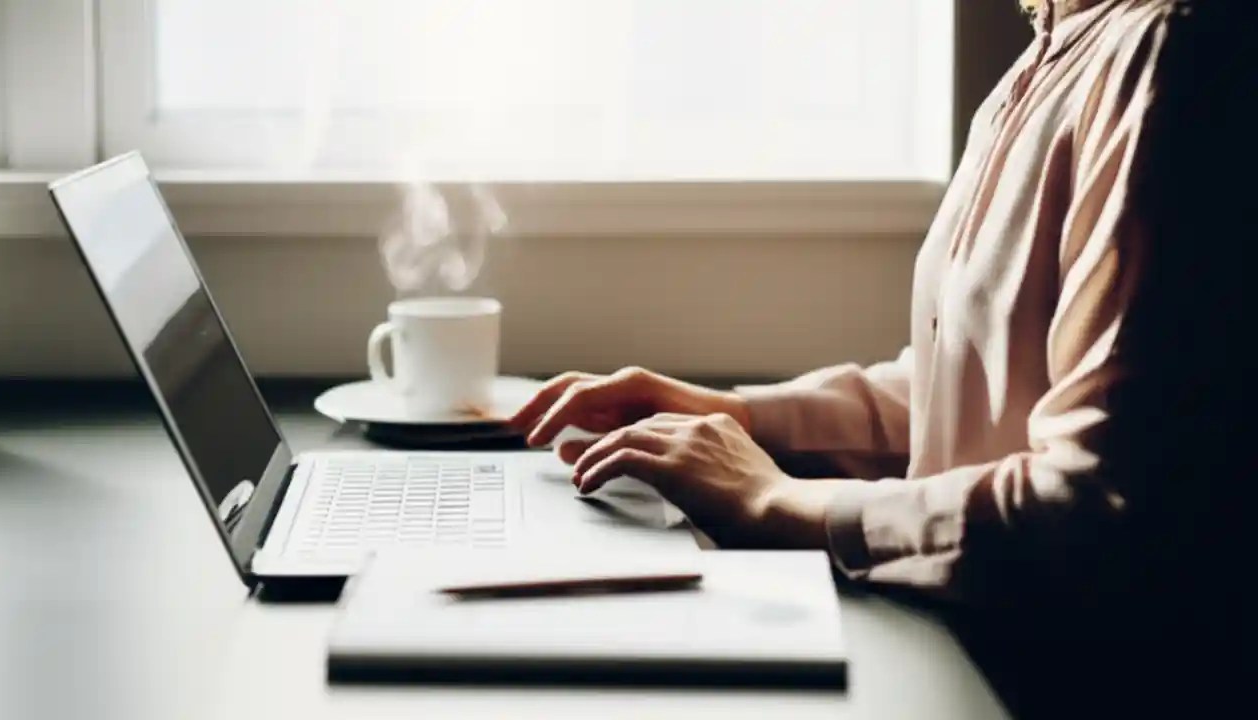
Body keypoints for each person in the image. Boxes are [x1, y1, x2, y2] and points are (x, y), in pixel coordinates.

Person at [510, 0, 1250, 617]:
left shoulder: (1168, 53)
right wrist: (742, 416)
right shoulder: (1043, 62)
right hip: (962, 624)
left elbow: (1095, 501)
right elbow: (974, 385)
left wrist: (776, 501)